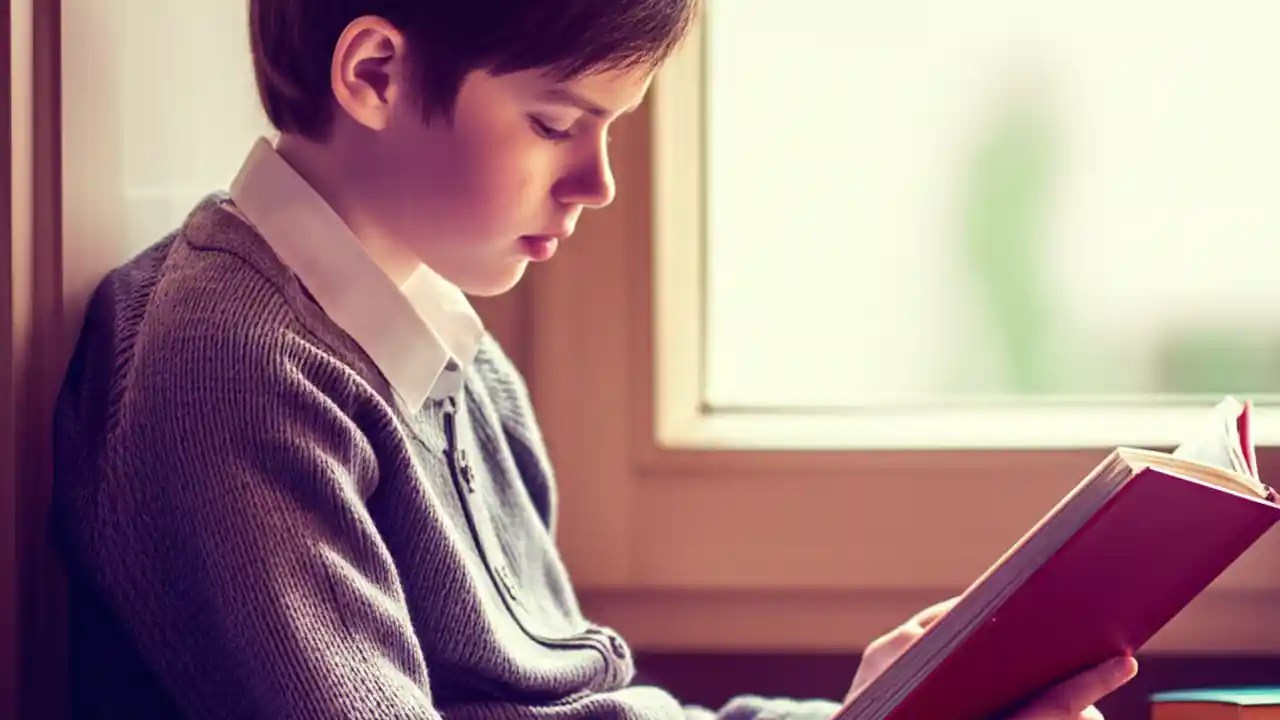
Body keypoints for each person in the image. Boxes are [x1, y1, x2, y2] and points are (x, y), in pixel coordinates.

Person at [50, 1, 1137, 717]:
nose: (597, 184)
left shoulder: (450, 360)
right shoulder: (229, 372)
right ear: (375, 72)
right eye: (555, 121)